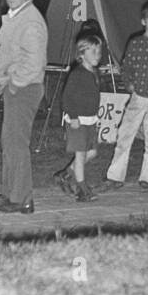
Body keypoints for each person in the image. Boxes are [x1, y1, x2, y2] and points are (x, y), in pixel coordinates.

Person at [0, 0, 47, 214]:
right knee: (9, 141)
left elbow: (33, 64)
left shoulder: (30, 21)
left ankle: (22, 198)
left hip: (24, 88)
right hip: (15, 87)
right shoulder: (17, 16)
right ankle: (9, 191)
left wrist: (12, 85)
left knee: (16, 143)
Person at [102, 0, 148, 192]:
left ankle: (147, 178)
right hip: (139, 97)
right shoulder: (136, 43)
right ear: (143, 21)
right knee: (125, 134)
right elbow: (126, 67)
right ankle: (115, 176)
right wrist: (129, 84)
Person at [56, 33, 103, 202]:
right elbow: (67, 97)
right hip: (78, 121)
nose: (97, 55)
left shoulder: (94, 73)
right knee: (81, 154)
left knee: (92, 152)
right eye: (93, 51)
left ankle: (66, 174)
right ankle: (82, 190)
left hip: (90, 120)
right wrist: (73, 116)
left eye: (99, 51)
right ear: (82, 54)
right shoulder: (77, 74)